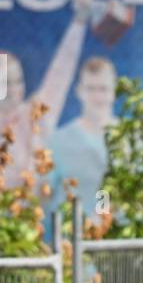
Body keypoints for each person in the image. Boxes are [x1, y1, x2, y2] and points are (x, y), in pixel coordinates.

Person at [0, 0, 90, 211]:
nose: (15, 90)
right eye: (6, 83)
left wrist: (80, 21)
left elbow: (61, 70)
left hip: (41, 222)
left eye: (18, 81)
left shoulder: (36, 112)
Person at [46, 57, 118, 223]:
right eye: (91, 89)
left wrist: (106, 217)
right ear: (79, 91)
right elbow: (44, 196)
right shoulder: (58, 142)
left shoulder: (133, 139)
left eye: (103, 89)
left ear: (114, 91)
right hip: (72, 242)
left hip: (122, 242)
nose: (97, 96)